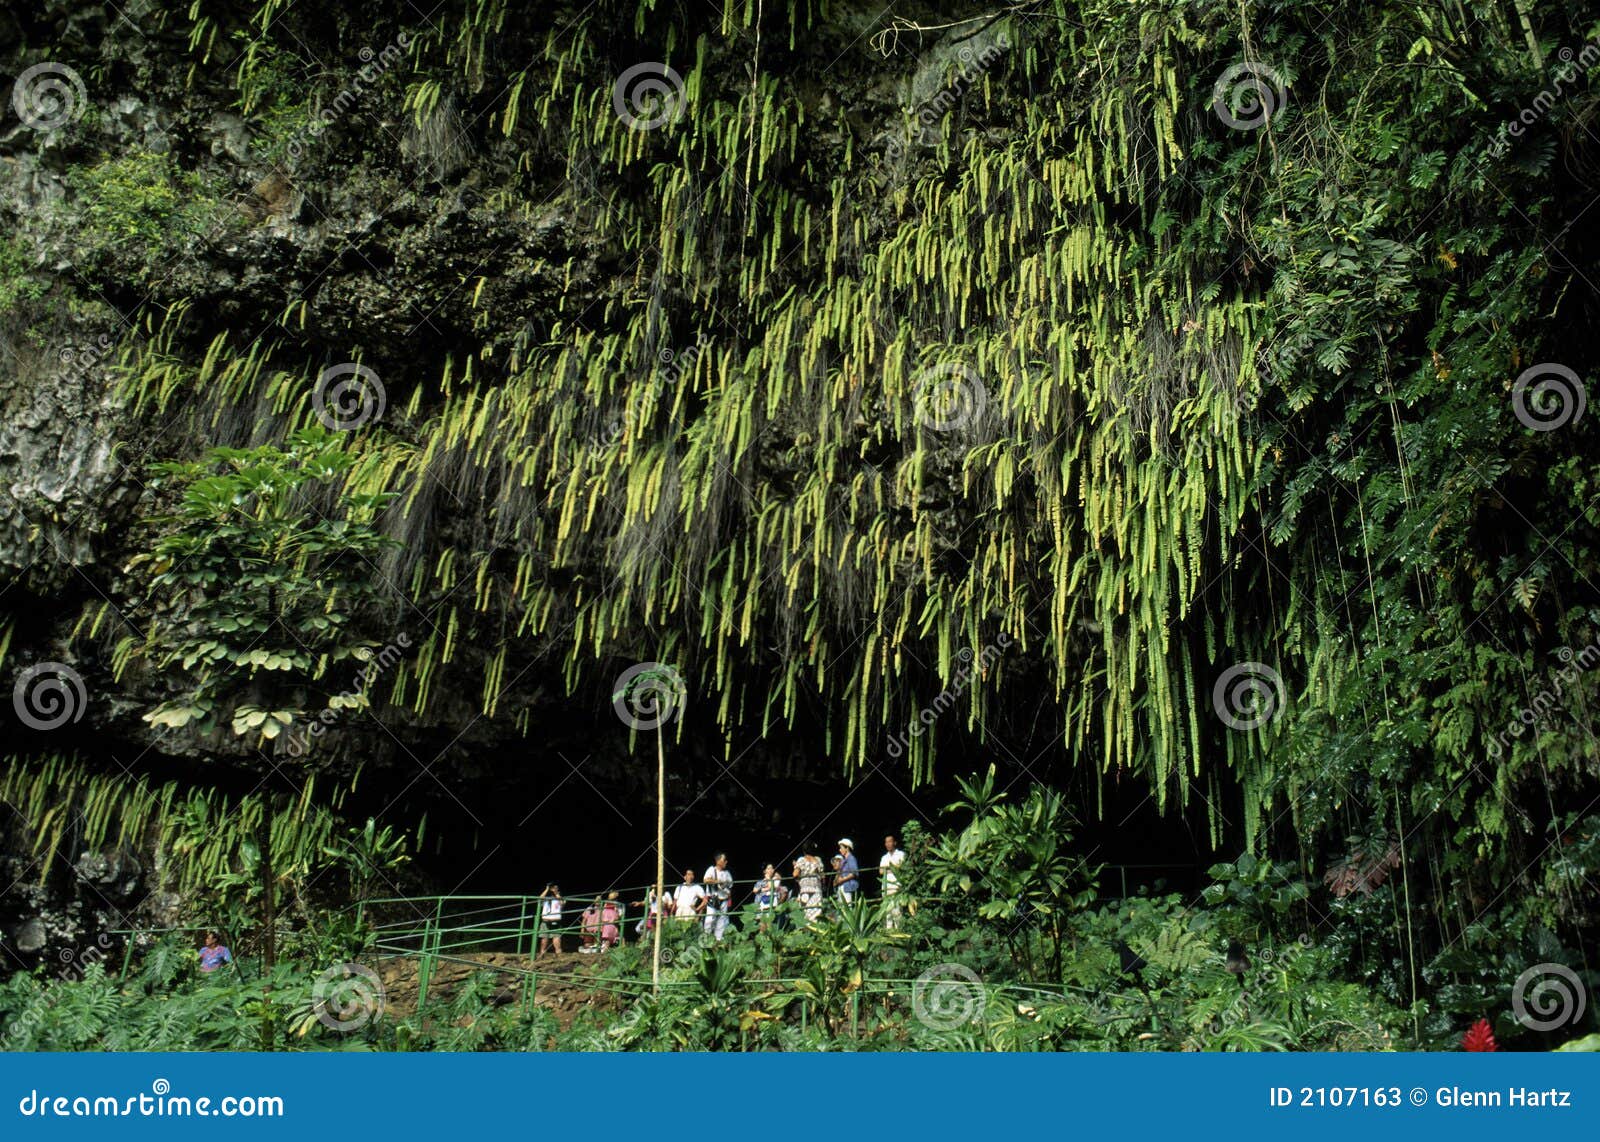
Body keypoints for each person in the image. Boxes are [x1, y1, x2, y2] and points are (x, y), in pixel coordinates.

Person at [702, 852, 733, 941]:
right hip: (713, 900)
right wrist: (717, 881)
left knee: (721, 922)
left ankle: (718, 941)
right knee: (709, 921)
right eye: (724, 860)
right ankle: (706, 940)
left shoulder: (727, 873)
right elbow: (706, 880)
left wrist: (724, 884)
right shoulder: (711, 870)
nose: (726, 862)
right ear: (718, 861)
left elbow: (730, 884)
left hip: (724, 900)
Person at [793, 840, 825, 922]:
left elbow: (795, 874)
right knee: (816, 914)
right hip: (817, 889)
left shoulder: (801, 860)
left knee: (806, 914)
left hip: (805, 890)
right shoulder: (818, 860)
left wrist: (799, 878)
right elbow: (822, 876)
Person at [880, 833, 907, 929]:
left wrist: (889, 868)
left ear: (895, 842)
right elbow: (881, 871)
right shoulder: (884, 857)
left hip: (897, 885)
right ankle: (888, 932)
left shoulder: (901, 854)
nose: (888, 844)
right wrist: (893, 867)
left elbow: (901, 867)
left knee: (897, 909)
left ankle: (899, 931)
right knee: (887, 910)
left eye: (890, 841)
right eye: (886, 842)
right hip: (886, 886)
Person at [753, 863, 788, 930]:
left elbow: (773, 887)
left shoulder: (775, 880)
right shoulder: (760, 882)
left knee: (770, 925)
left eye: (772, 868)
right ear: (764, 871)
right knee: (762, 927)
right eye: (768, 868)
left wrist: (769, 880)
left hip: (771, 906)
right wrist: (766, 888)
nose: (771, 870)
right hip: (761, 906)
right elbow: (755, 890)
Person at [538, 883, 564, 956]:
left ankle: (559, 955)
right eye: (553, 888)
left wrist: (556, 893)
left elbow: (562, 903)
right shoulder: (546, 899)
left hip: (556, 922)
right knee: (544, 939)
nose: (554, 890)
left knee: (557, 939)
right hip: (545, 921)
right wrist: (546, 889)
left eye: (556, 888)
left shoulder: (560, 899)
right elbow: (540, 898)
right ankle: (542, 955)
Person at [834, 838, 860, 903]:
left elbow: (854, 873)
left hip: (848, 887)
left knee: (848, 906)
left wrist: (842, 879)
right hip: (842, 887)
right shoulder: (843, 860)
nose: (840, 850)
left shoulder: (851, 858)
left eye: (841, 848)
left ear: (847, 848)